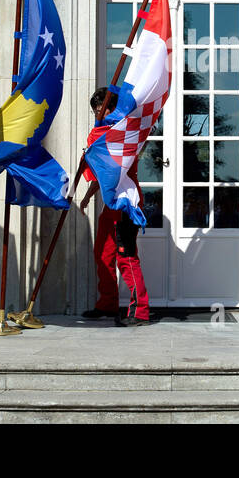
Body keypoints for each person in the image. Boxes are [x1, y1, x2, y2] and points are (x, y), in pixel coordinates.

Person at [79, 87, 151, 327]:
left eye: (99, 111)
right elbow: (105, 174)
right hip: (111, 205)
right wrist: (89, 194)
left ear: (111, 110)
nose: (97, 116)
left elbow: (116, 169)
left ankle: (139, 311)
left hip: (126, 203)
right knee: (102, 253)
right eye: (95, 113)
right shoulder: (105, 134)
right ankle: (107, 303)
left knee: (126, 257)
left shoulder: (124, 134)